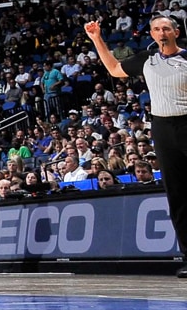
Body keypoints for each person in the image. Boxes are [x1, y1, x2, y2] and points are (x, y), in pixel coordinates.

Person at [86, 14, 187, 277]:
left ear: (176, 32)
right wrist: (97, 39)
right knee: (177, 196)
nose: (161, 32)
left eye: (166, 28)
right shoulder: (147, 59)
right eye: (156, 29)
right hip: (163, 128)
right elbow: (114, 70)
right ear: (152, 34)